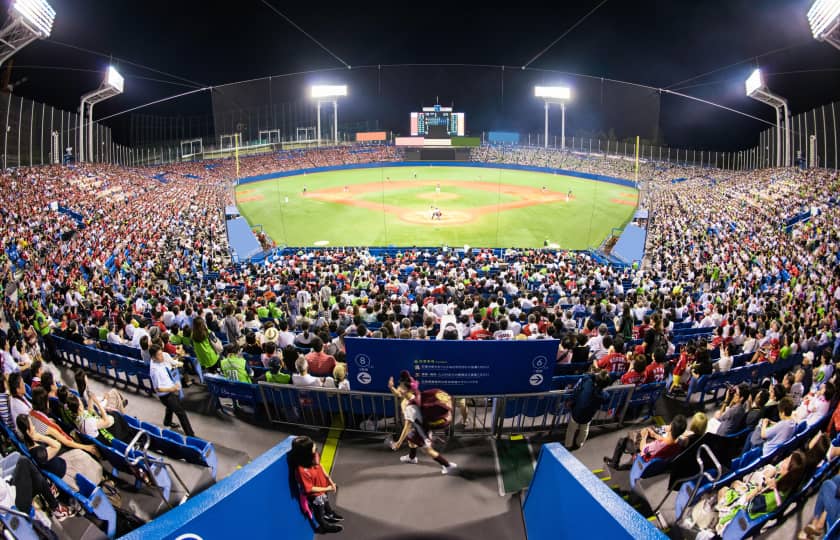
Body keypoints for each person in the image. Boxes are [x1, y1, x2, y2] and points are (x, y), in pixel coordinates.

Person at [388, 371, 457, 474]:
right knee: (411, 438)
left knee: (427, 450)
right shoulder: (412, 393)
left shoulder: (411, 408)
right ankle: (412, 458)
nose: (398, 387)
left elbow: (407, 427)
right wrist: (391, 387)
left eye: (399, 386)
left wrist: (398, 443)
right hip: (419, 424)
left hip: (423, 429)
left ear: (404, 390)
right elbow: (398, 394)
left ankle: (447, 465)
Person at [288, 435, 343, 533]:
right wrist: (328, 488)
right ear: (306, 452)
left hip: (323, 488)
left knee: (326, 502)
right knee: (319, 512)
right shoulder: (301, 471)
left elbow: (321, 467)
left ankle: (329, 514)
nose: (315, 446)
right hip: (315, 496)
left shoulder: (315, 455)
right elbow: (309, 489)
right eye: (313, 446)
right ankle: (324, 526)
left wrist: (329, 480)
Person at [604, 414, 688, 470]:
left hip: (644, 460)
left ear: (670, 428)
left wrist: (644, 436)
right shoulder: (678, 444)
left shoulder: (657, 445)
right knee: (650, 433)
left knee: (622, 441)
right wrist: (655, 435)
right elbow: (667, 441)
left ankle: (614, 464)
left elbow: (643, 448)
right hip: (657, 461)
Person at [149, 345, 195, 437]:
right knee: (181, 412)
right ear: (153, 357)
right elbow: (158, 388)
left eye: (161, 353)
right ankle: (190, 435)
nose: (162, 356)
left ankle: (167, 421)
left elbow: (168, 364)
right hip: (165, 395)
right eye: (159, 355)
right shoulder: (155, 371)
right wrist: (172, 388)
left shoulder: (158, 360)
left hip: (169, 388)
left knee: (170, 407)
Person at [565, 369, 612, 450]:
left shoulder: (588, 383)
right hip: (589, 415)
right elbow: (607, 400)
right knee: (584, 430)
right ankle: (579, 443)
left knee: (571, 430)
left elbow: (587, 376)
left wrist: (594, 374)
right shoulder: (604, 395)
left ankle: (568, 445)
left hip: (577, 412)